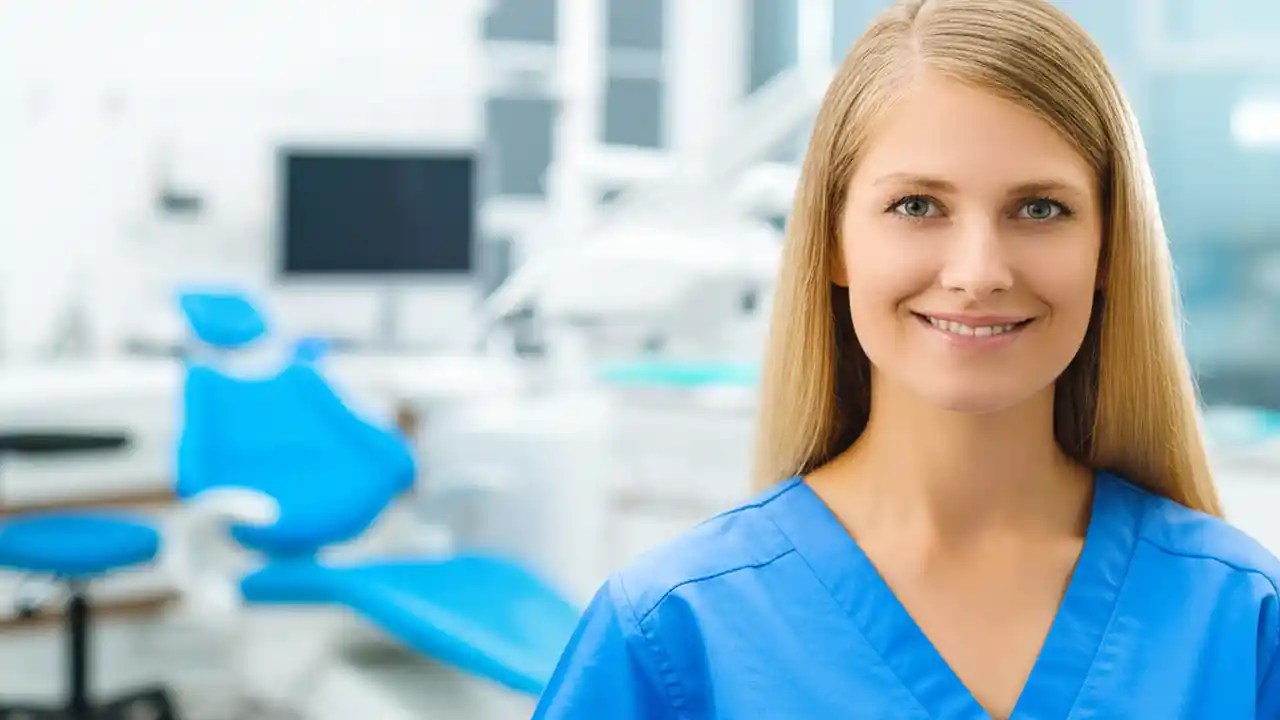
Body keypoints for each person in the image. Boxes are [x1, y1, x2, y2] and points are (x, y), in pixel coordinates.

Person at [533, 0, 1280, 717]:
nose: (978, 271)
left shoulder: (1242, 627)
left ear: (1109, 248)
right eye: (918, 206)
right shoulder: (670, 636)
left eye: (1040, 209)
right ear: (832, 241)